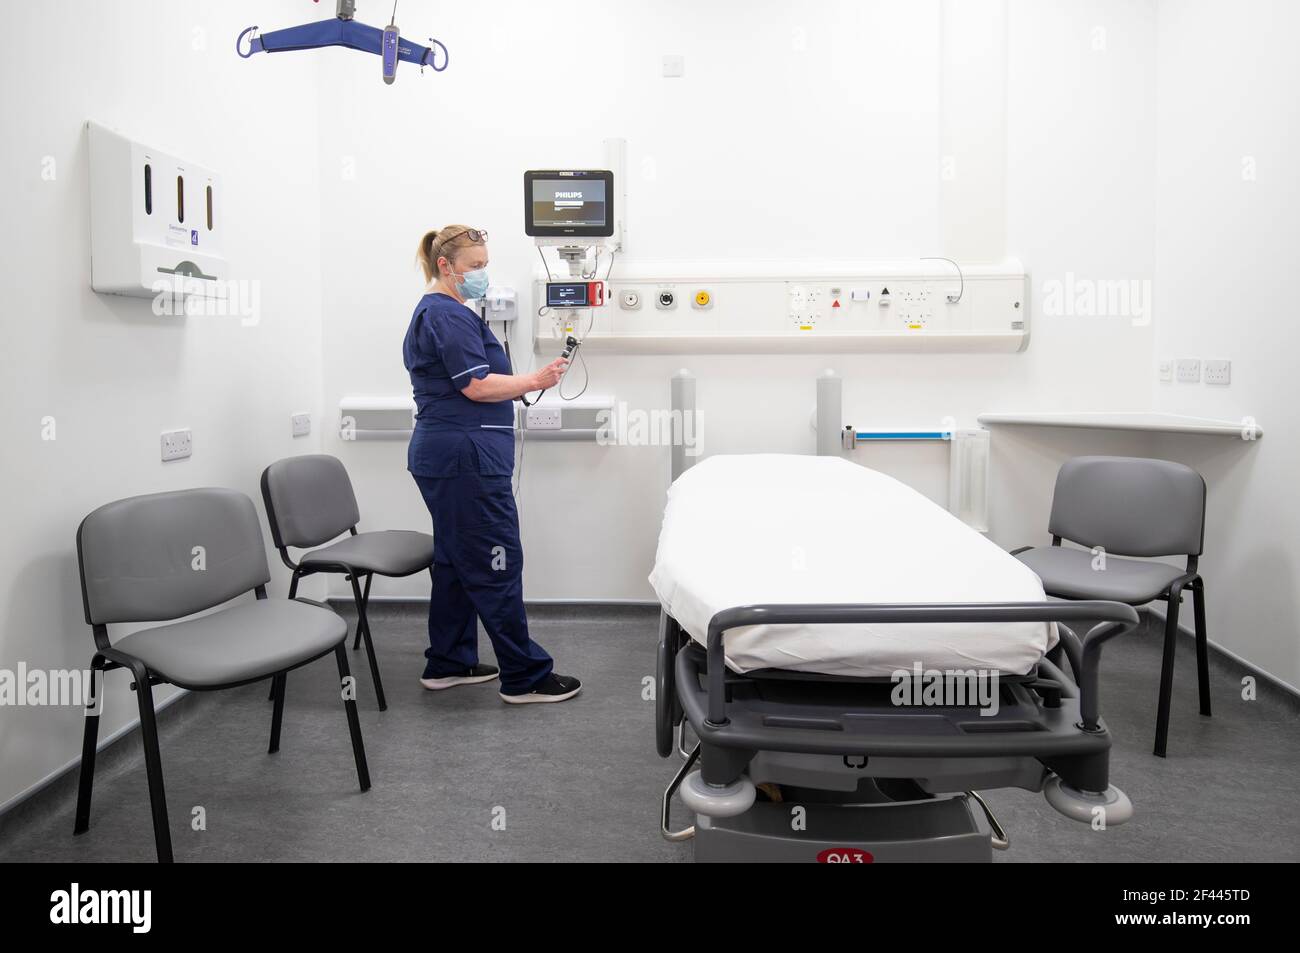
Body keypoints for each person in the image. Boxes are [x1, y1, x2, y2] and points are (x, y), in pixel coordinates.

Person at [403, 224, 581, 704]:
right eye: (474, 267)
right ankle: (524, 676)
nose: (482, 274)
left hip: (453, 457)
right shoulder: (447, 315)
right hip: (465, 460)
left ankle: (449, 662)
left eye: (485, 265)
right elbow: (475, 386)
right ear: (446, 267)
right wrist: (534, 378)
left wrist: (527, 381)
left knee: (457, 561)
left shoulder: (446, 312)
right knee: (495, 562)